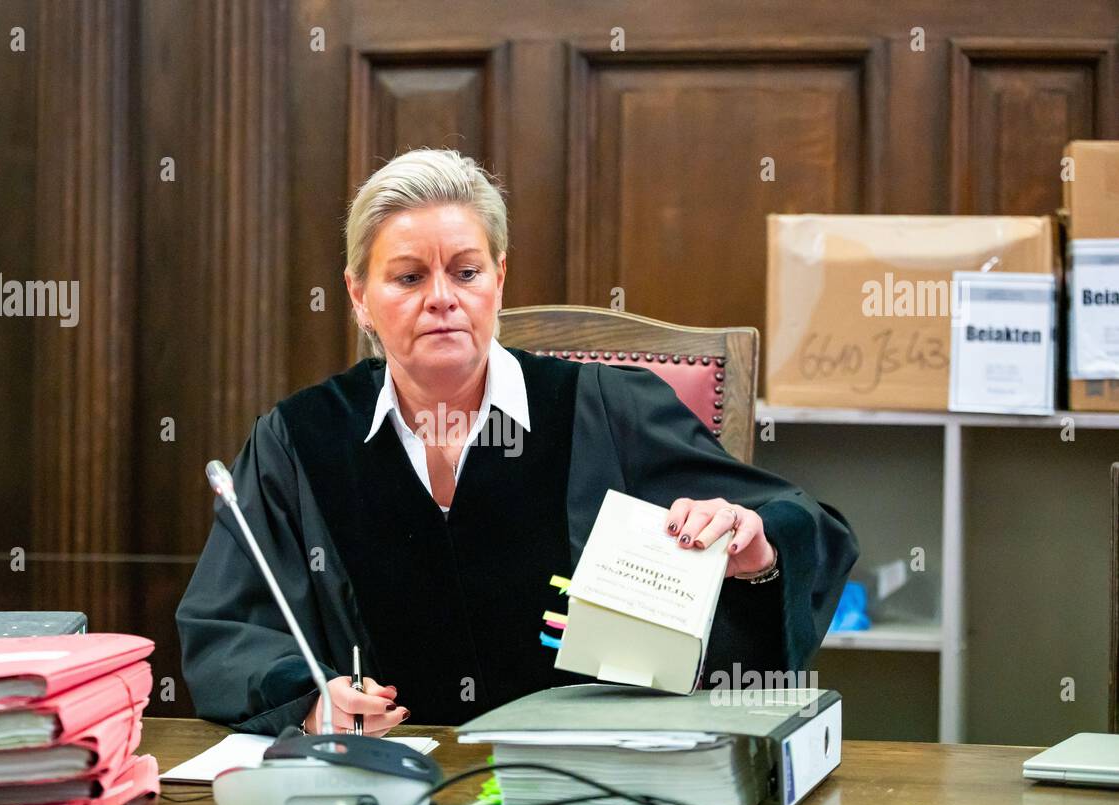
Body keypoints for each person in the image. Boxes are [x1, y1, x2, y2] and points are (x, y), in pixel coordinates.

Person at [176, 147, 859, 737]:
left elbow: (805, 528)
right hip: (376, 792)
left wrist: (756, 547)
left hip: (590, 793)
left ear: (498, 280)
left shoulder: (606, 410)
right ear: (358, 297)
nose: (441, 298)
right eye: (408, 277)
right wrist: (312, 701)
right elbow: (227, 627)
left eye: (466, 272)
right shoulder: (300, 441)